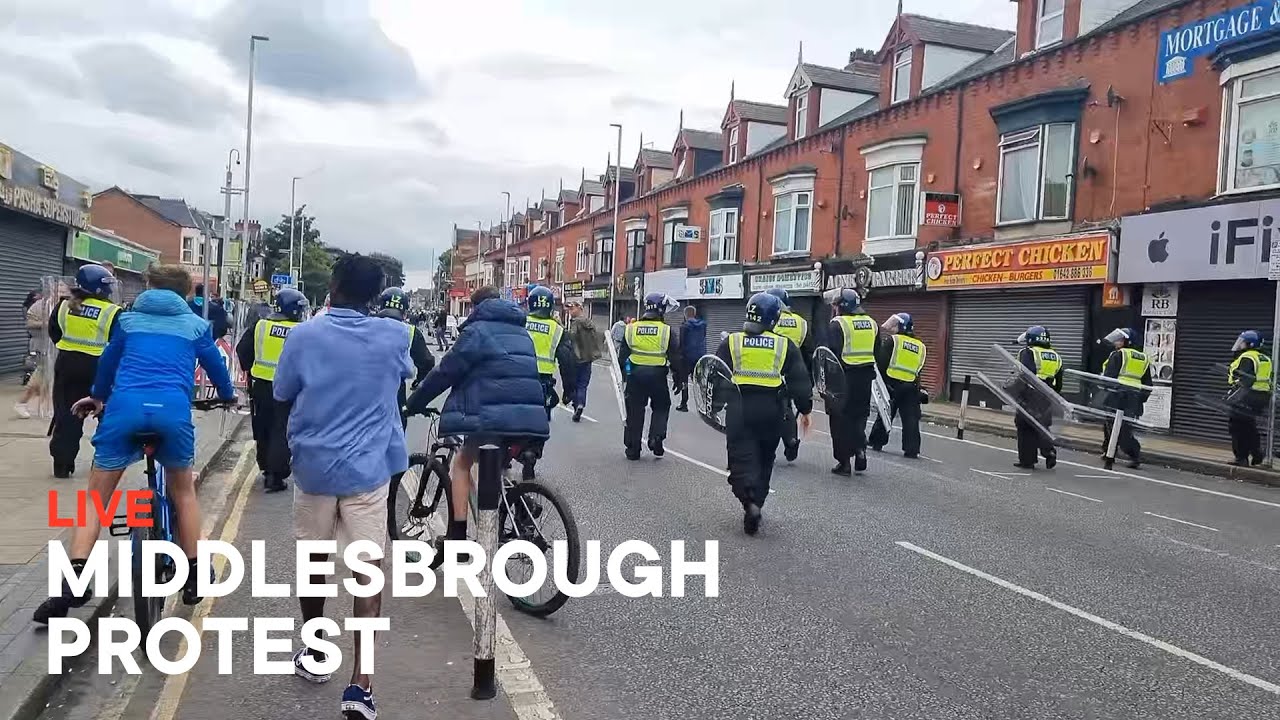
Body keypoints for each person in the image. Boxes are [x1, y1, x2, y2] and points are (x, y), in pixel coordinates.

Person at [33, 264, 237, 623]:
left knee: (96, 499)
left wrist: (97, 397)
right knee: (183, 492)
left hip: (124, 410)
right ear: (185, 293)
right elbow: (217, 368)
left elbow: (107, 365)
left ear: (148, 288)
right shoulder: (195, 326)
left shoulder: (127, 322)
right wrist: (227, 394)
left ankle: (75, 580)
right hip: (172, 413)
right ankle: (192, 573)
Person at [271, 254, 414, 719]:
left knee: (313, 561)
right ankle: (361, 685)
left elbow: (281, 391)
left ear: (332, 287)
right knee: (367, 571)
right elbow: (407, 373)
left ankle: (316, 653)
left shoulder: (303, 336)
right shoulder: (394, 335)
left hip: (314, 467)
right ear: (374, 295)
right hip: (368, 470)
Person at [405, 285, 548, 554]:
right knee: (493, 467)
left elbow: (445, 372)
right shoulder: (522, 332)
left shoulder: (477, 332)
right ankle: (520, 504)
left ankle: (457, 540)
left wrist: (414, 403)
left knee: (461, 463)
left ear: (475, 307)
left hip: (492, 417)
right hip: (529, 416)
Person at [715, 292, 812, 535]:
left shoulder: (732, 342)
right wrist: (805, 408)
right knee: (765, 459)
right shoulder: (784, 345)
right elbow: (800, 380)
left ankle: (748, 500)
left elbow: (716, 376)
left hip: (739, 410)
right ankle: (757, 501)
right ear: (774, 318)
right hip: (772, 411)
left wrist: (714, 405)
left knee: (740, 459)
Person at [48, 265, 123, 478]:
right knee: (106, 415)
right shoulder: (112, 311)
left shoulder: (64, 305)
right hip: (100, 367)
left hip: (67, 365)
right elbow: (119, 343)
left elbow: (54, 332)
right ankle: (102, 464)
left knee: (67, 415)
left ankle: (62, 464)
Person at [235, 288, 309, 493]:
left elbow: (242, 350)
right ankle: (276, 475)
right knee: (282, 429)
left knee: (263, 427)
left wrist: (249, 368)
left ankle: (266, 468)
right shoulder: (300, 331)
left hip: (261, 386)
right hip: (288, 387)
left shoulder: (261, 325)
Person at [617, 294, 683, 460]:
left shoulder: (631, 328)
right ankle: (656, 437)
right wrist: (679, 378)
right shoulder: (666, 331)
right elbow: (676, 357)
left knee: (634, 411)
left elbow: (622, 356)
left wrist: (623, 374)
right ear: (661, 309)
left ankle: (633, 449)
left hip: (635, 376)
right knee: (661, 406)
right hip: (658, 376)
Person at [824, 289, 877, 476]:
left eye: (836, 305)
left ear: (842, 306)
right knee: (859, 417)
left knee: (840, 421)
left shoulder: (837, 324)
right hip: (865, 379)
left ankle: (844, 462)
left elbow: (831, 355)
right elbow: (877, 351)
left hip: (843, 379)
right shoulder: (872, 323)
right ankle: (860, 450)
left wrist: (826, 384)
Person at [766, 287, 816, 462]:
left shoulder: (768, 318)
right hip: (795, 371)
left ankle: (774, 445)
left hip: (772, 371)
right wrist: (807, 379)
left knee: (779, 408)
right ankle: (791, 440)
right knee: (788, 408)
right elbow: (809, 352)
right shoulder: (801, 323)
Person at [868, 312, 927, 459]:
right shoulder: (921, 346)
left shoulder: (893, 341)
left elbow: (881, 362)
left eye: (895, 325)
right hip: (911, 387)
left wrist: (881, 382)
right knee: (911, 419)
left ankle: (877, 441)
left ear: (901, 326)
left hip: (892, 385)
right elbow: (918, 370)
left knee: (885, 414)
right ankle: (912, 450)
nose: (892, 328)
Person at [375, 287, 435, 418]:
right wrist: (419, 382)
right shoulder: (410, 332)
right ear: (405, 312)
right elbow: (427, 362)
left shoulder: (364, 325)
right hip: (394, 394)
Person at [1099, 327, 1152, 469]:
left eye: (1120, 340)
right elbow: (1148, 383)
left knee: (1116, 428)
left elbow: (1109, 377)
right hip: (1133, 400)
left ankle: (1134, 455)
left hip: (1116, 397)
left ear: (1128, 342)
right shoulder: (1144, 358)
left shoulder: (1118, 355)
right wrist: (1141, 399)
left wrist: (1106, 388)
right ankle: (1108, 451)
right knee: (1120, 427)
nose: (1116, 342)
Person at [1011, 325, 1063, 470]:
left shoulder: (1028, 352)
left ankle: (1027, 460)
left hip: (1029, 393)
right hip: (1047, 394)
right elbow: (1059, 382)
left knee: (1024, 425)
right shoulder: (1055, 356)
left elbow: (1026, 374)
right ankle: (1049, 451)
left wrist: (1015, 390)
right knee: (1042, 425)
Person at [1226, 330, 1271, 466]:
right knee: (1249, 425)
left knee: (1237, 427)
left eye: (1242, 342)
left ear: (1251, 344)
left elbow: (1246, 380)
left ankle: (1241, 458)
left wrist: (1233, 395)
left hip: (1246, 396)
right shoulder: (1264, 358)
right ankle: (1257, 454)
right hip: (1262, 396)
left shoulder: (1248, 357)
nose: (1239, 345)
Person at [15, 290, 50, 418]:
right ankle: (21, 403)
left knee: (49, 379)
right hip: (42, 346)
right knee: (40, 376)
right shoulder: (39, 306)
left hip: (57, 347)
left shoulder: (65, 304)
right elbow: (29, 324)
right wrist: (48, 323)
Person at [565, 301, 601, 422]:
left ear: (580, 308)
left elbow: (572, 337)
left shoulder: (576, 322)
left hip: (576, 358)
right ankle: (580, 404)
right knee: (583, 384)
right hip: (588, 358)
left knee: (574, 383)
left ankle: (577, 405)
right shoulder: (590, 323)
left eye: (572, 309)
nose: (570, 311)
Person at [676, 305, 707, 412]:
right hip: (700, 357)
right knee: (700, 381)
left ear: (685, 315)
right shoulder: (703, 325)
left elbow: (682, 343)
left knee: (684, 380)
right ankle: (706, 403)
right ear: (694, 314)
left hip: (687, 358)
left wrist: (678, 357)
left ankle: (684, 404)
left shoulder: (684, 327)